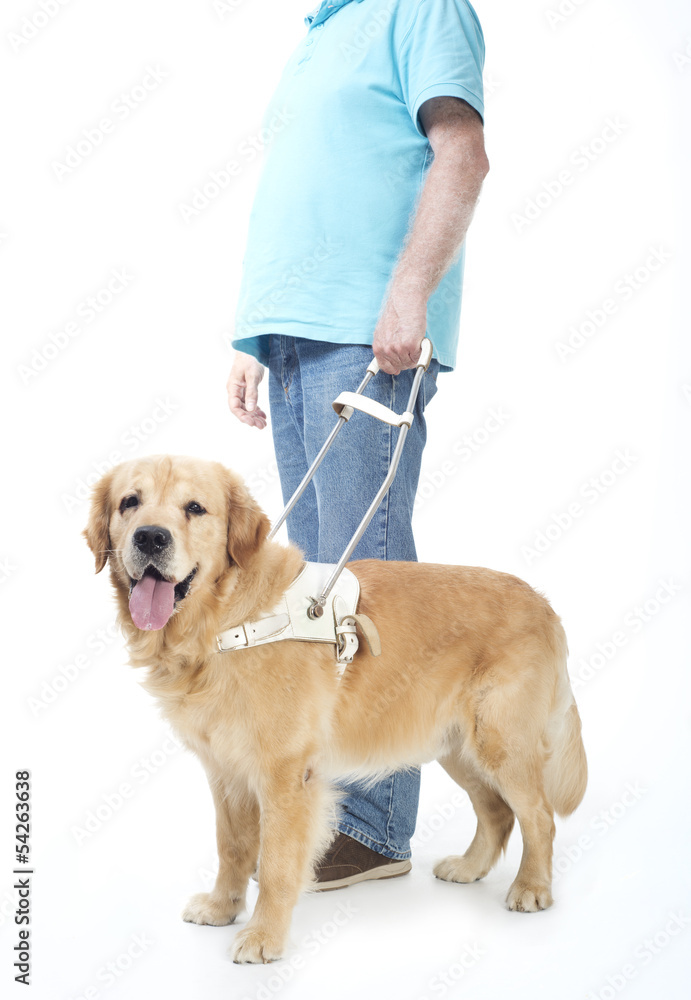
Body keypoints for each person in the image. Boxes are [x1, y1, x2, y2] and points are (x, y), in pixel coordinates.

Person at [226, 0, 489, 889]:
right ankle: (340, 800)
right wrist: (252, 337)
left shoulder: (418, 7)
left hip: (364, 334)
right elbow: (303, 192)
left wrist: (408, 295)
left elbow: (461, 152)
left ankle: (377, 829)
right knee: (317, 584)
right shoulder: (315, 34)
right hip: (295, 339)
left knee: (366, 577)